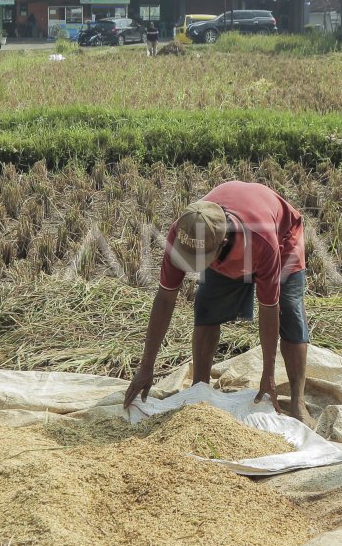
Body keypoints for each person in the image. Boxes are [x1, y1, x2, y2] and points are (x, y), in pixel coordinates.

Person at [123, 182, 314, 426]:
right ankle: (199, 391)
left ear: (221, 244)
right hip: (229, 242)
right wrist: (146, 366)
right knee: (207, 307)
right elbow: (165, 297)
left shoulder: (262, 241)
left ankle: (298, 401)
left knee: (290, 313)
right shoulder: (185, 231)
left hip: (282, 237)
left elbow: (270, 308)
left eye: (199, 259)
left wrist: (268, 374)